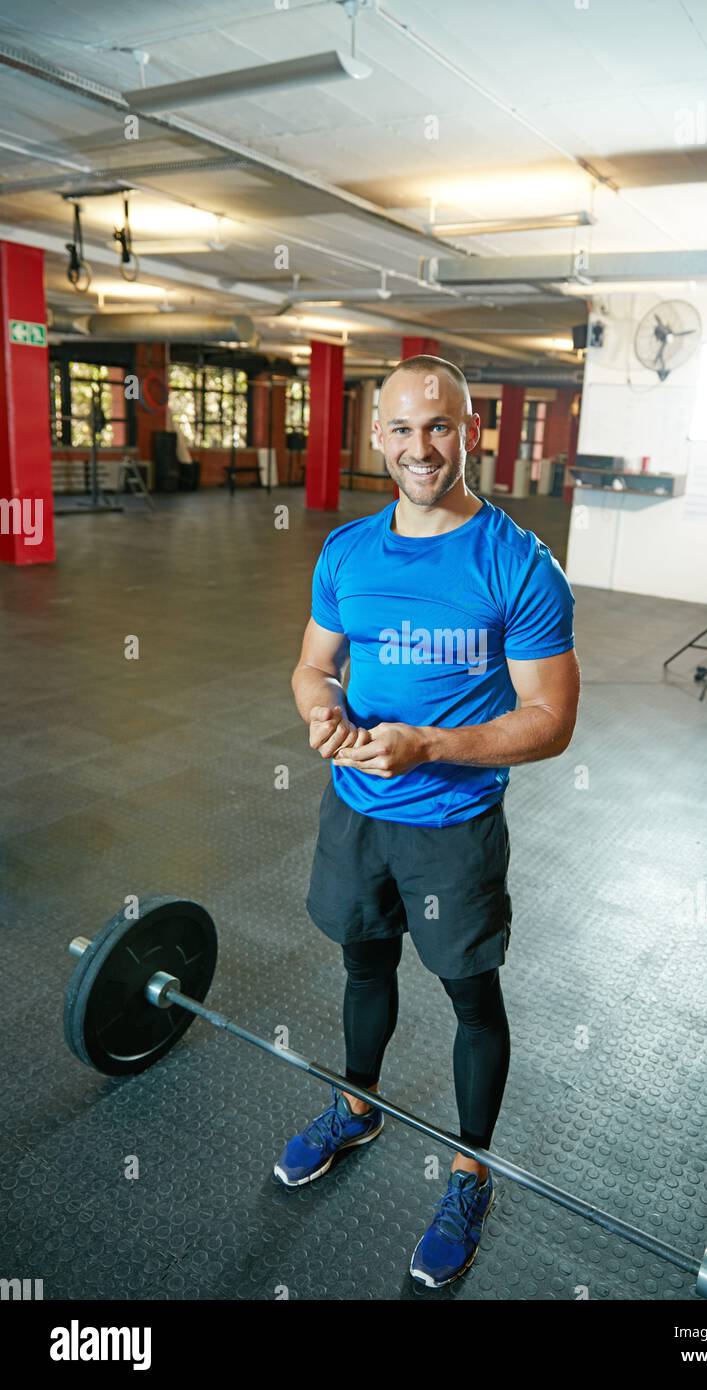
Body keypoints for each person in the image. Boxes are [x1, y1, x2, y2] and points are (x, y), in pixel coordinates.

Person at [274, 354, 580, 1289]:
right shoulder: (347, 553)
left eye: (440, 426)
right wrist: (320, 711)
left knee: (469, 997)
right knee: (362, 961)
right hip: (356, 812)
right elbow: (310, 665)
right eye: (402, 428)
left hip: (451, 828)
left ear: (471, 431)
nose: (421, 447)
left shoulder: (519, 566)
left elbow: (551, 722)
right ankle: (358, 1105)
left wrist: (430, 747)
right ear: (377, 437)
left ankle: (469, 1167)